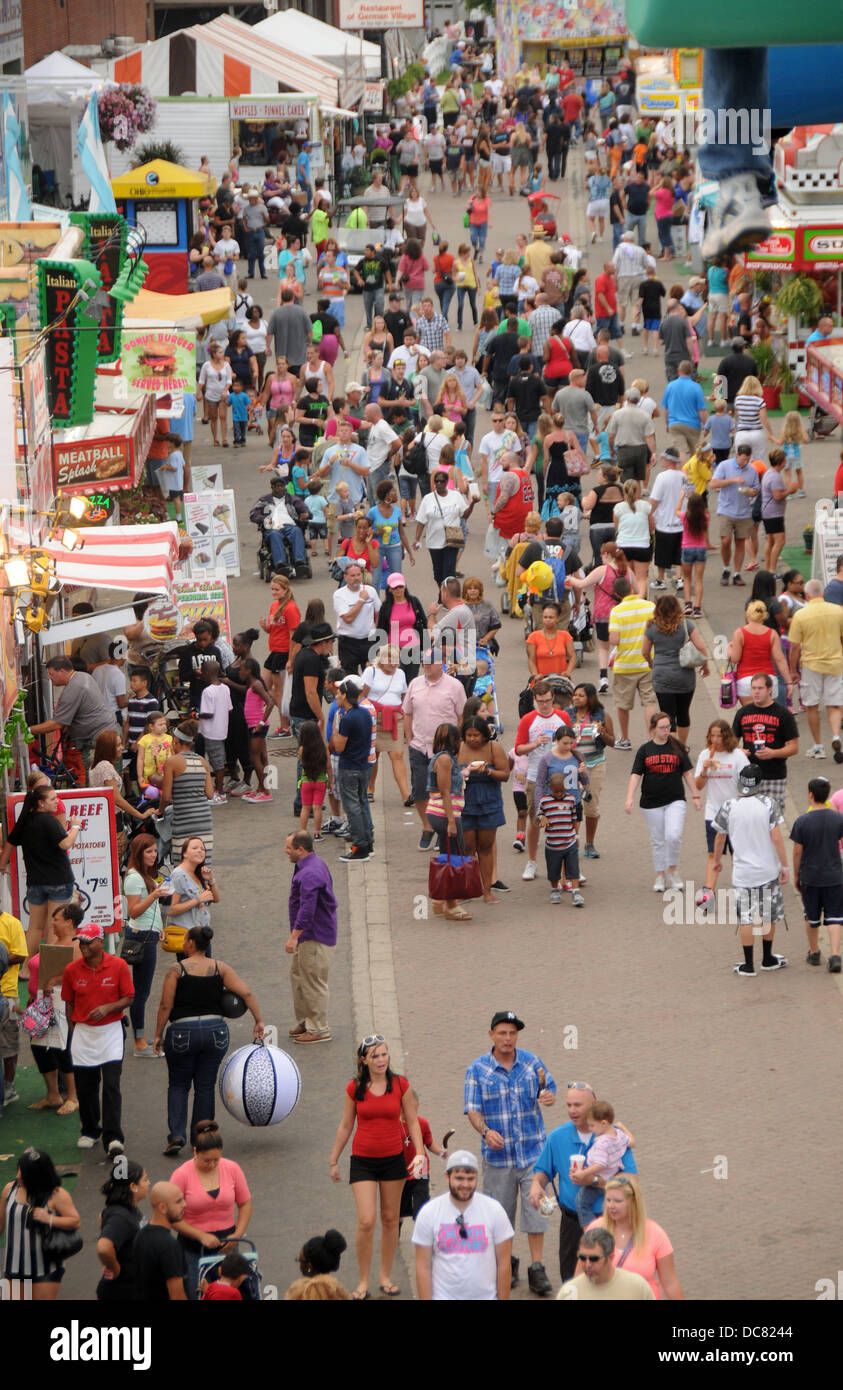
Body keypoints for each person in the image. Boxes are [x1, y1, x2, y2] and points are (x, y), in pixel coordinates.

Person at [464, 1011, 556, 1296]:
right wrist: (484, 1131)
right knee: (499, 1215)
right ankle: (507, 1263)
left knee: (536, 1211)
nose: (507, 1038)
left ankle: (537, 1267)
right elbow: (472, 1109)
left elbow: (548, 1088)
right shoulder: (477, 1069)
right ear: (491, 1034)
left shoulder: (531, 1062)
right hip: (498, 1158)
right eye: (502, 1033)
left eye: (512, 1033)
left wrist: (548, 1097)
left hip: (532, 1154)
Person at [329, 1034, 426, 1299]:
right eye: (375, 1055)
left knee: (390, 1219)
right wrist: (334, 1159)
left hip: (394, 1159)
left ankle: (385, 1276)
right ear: (364, 1060)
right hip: (363, 1161)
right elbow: (346, 1125)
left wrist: (419, 1154)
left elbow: (413, 1121)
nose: (381, 1059)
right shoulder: (354, 1088)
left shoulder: (400, 1085)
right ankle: (362, 1281)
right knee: (366, 1220)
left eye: (384, 1054)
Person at [154, 923, 264, 1155]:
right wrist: (259, 1021)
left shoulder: (176, 970)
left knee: (179, 1084)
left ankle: (177, 1134)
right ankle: (202, 1136)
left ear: (191, 944)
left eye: (185, 940)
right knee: (205, 1085)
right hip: (216, 1032)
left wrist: (158, 1034)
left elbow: (166, 1004)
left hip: (182, 1032)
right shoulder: (220, 968)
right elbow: (246, 992)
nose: (182, 944)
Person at [712, 763, 790, 977]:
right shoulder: (769, 804)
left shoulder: (729, 805)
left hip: (743, 873)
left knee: (746, 918)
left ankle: (748, 965)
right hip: (767, 870)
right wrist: (784, 866)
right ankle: (767, 958)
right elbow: (776, 837)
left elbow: (720, 837)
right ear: (760, 783)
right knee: (768, 915)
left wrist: (717, 861)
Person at [62, 923, 134, 1153]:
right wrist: (74, 1030)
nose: (83, 946)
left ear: (100, 942)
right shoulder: (72, 970)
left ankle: (113, 1137)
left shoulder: (119, 965)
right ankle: (90, 1130)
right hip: (83, 1033)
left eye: (88, 942)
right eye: (81, 942)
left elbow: (128, 997)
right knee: (85, 1087)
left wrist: (108, 1007)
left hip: (111, 1031)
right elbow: (68, 1003)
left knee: (111, 1086)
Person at [413, 1149, 514, 1301]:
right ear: (447, 1177)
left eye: (470, 1178)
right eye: (459, 1178)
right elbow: (423, 1268)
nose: (465, 1184)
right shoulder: (429, 1213)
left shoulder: (494, 1210)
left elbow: (504, 1264)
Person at [171, 1120, 252, 1300]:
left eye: (216, 1159)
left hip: (228, 1247)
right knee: (196, 1294)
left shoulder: (232, 1168)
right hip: (193, 1250)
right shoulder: (181, 1175)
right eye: (206, 1160)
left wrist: (237, 1233)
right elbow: (173, 1217)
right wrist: (200, 1236)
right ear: (195, 1152)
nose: (212, 1165)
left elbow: (245, 1203)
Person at [1, 783, 79, 962]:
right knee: (54, 927)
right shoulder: (49, 821)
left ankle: (27, 968)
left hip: (35, 883)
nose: (57, 802)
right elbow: (65, 844)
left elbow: (10, 842)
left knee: (35, 927)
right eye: (52, 799)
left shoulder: (26, 821)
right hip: (58, 881)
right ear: (41, 803)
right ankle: (46, 969)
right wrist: (75, 827)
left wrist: (2, 864)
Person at [626, 711, 700, 892]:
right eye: (662, 727)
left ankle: (673, 870)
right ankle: (660, 874)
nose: (666, 730)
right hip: (651, 802)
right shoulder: (645, 750)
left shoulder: (677, 747)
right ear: (652, 729)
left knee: (673, 835)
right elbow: (636, 774)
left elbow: (687, 772)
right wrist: (630, 797)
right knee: (658, 840)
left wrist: (695, 794)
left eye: (668, 727)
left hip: (675, 799)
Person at [0, 1147, 81, 1300]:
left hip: (45, 1268)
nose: (18, 1175)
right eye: (18, 1169)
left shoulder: (57, 1195)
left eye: (23, 1172)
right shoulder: (9, 1190)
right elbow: (0, 1223)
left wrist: (49, 1218)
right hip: (14, 1266)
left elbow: (75, 1221)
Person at [285, 830, 338, 1043]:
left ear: (300, 849)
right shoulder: (310, 865)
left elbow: (307, 909)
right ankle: (307, 1021)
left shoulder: (310, 873)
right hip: (309, 935)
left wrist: (293, 936)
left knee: (312, 981)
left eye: (289, 847)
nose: (285, 850)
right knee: (299, 977)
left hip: (314, 936)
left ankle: (319, 1029)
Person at [123, 835, 169, 1059]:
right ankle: (139, 1043)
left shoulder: (143, 875)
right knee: (140, 992)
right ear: (139, 852)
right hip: (141, 937)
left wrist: (159, 926)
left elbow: (148, 911)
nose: (153, 855)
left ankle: (140, 1038)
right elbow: (133, 911)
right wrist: (155, 894)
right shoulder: (134, 878)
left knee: (142, 991)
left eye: (154, 851)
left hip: (147, 934)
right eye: (148, 851)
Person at [787, 580, 843, 762]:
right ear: (823, 593)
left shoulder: (801, 615)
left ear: (807, 594)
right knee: (834, 704)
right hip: (835, 662)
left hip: (811, 664)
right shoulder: (838, 611)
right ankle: (835, 735)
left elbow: (794, 646)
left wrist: (792, 669)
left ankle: (818, 745)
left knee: (812, 705)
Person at [791, 777, 843, 972]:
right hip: (834, 875)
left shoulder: (802, 821)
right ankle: (835, 955)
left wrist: (797, 875)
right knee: (835, 917)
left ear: (810, 795)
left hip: (811, 877)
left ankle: (814, 952)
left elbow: (797, 852)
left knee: (811, 917)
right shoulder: (838, 818)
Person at [642, 595, 709, 745]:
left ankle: (672, 748)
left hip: (661, 676)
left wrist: (651, 663)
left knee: (668, 714)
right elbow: (702, 647)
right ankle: (682, 746)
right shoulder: (686, 625)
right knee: (683, 713)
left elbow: (644, 651)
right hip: (684, 676)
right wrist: (705, 665)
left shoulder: (652, 627)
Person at [29, 655, 113, 775]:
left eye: (51, 674)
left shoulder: (74, 687)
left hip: (97, 738)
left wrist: (29, 730)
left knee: (93, 776)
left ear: (62, 671)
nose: (49, 677)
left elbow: (57, 723)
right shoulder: (83, 676)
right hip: (104, 733)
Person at [331, 675, 375, 863]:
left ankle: (359, 847)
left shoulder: (347, 718)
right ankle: (368, 841)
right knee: (362, 801)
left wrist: (335, 726)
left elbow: (339, 747)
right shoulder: (365, 713)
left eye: (339, 694)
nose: (336, 697)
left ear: (345, 695)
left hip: (349, 767)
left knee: (353, 807)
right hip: (364, 765)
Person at [158, 722, 215, 864]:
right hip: (204, 821)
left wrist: (159, 812)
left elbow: (166, 796)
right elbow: (210, 794)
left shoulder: (172, 762)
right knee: (203, 867)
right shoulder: (202, 761)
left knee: (184, 868)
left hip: (184, 820)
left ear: (176, 741)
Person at [96, 1155, 150, 1301]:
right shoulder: (120, 1216)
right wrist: (114, 1267)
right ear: (133, 1186)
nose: (148, 1183)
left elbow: (102, 1218)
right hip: (121, 1291)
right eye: (144, 1179)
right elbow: (104, 1247)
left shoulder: (125, 1209)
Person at [360, 646, 409, 802]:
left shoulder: (400, 674)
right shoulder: (371, 671)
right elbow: (362, 695)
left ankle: (406, 794)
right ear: (381, 658)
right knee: (374, 754)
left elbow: (404, 696)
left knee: (398, 754)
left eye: (395, 660)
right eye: (389, 660)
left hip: (395, 718)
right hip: (374, 717)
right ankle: (370, 788)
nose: (393, 664)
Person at [559, 1226, 654, 1300]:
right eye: (582, 1258)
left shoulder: (637, 1287)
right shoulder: (569, 1292)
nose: (587, 1264)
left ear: (610, 1257)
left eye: (594, 1259)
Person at [728, 600, 791, 707]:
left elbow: (735, 658)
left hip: (746, 681)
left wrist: (728, 649)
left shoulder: (740, 633)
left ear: (748, 615)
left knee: (750, 716)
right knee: (769, 716)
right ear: (764, 616)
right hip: (769, 680)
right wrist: (789, 682)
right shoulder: (772, 633)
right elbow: (780, 659)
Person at [132, 1181, 188, 1301]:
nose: (185, 1204)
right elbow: (177, 1296)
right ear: (162, 1207)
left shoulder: (141, 1234)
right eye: (178, 1201)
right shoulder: (169, 1246)